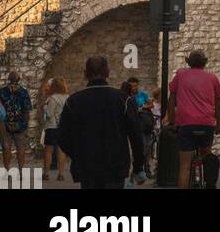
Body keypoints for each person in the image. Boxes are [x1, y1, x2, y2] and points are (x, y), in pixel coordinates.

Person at [56, 56, 144, 189]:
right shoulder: (123, 100)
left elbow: (63, 136)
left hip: (87, 165)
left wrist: (78, 154)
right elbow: (136, 135)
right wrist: (138, 166)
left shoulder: (74, 101)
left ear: (85, 74)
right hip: (115, 165)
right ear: (107, 72)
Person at [168, 49, 220, 190]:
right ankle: (209, 181)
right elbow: (218, 105)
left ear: (189, 62)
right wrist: (219, 125)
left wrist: (172, 121)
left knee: (184, 167)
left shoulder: (181, 75)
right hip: (206, 124)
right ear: (204, 63)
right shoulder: (212, 78)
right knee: (206, 153)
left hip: (186, 124)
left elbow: (171, 99)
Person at [0, 71, 32, 171]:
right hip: (20, 123)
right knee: (21, 148)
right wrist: (26, 124)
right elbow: (26, 110)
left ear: (9, 79)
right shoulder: (23, 91)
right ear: (18, 79)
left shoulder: (2, 91)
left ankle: (7, 169)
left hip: (5, 124)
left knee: (6, 147)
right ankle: (21, 170)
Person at [42, 78, 70, 182]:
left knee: (48, 151)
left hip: (52, 127)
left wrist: (44, 107)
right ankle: (61, 174)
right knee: (61, 150)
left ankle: (46, 173)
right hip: (63, 127)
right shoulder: (67, 97)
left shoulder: (53, 98)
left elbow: (49, 114)